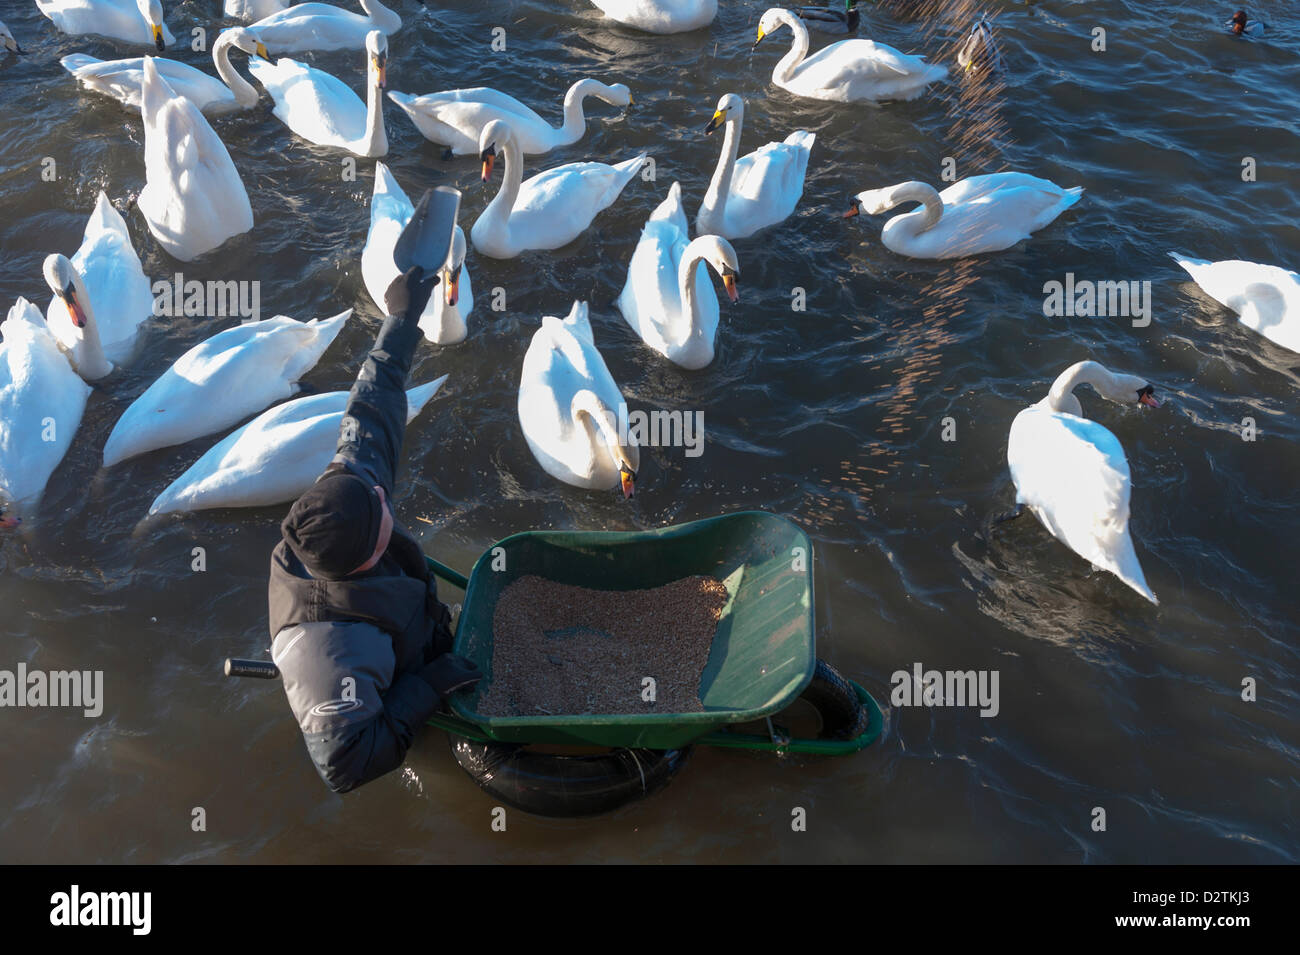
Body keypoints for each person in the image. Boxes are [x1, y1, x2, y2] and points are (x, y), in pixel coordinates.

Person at [266, 220, 481, 794]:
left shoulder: (343, 504)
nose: (385, 493)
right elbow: (346, 766)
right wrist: (425, 689)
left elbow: (370, 413)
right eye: (380, 507)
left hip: (398, 622)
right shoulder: (327, 647)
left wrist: (402, 322)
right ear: (368, 556)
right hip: (388, 677)